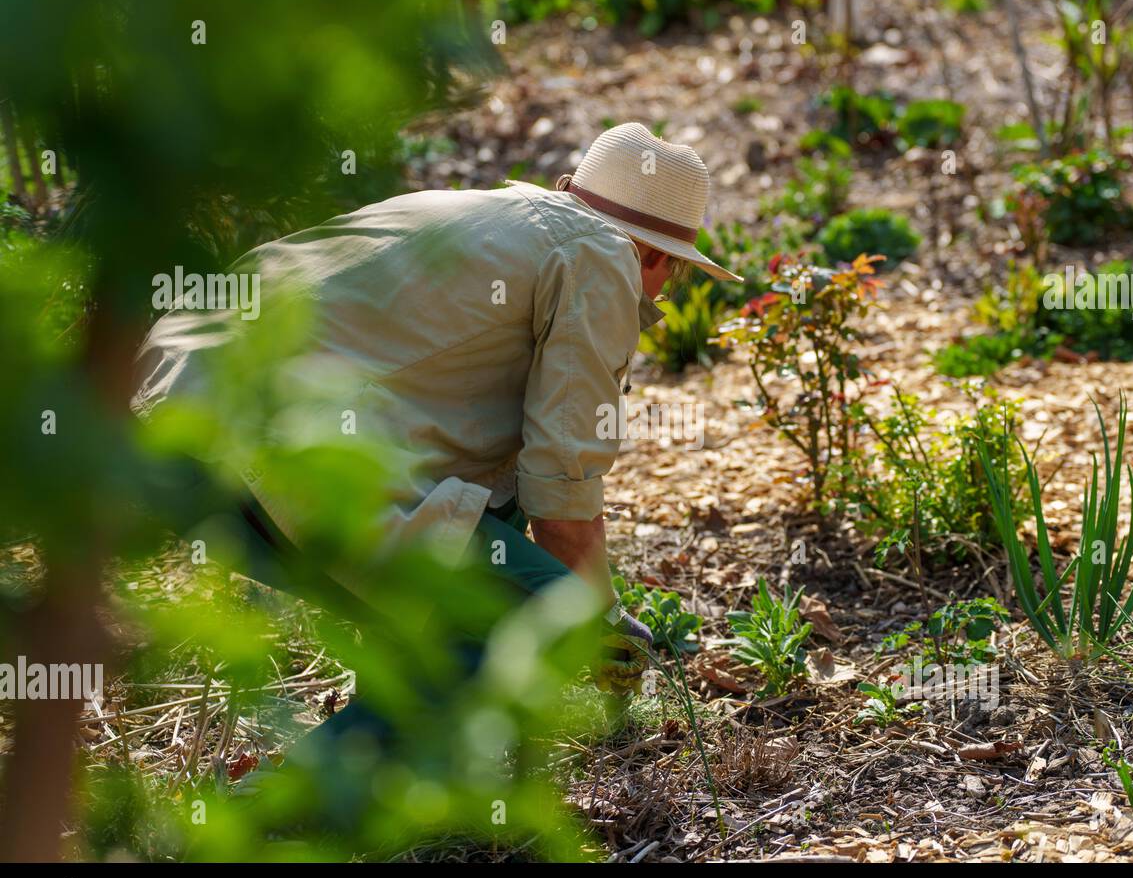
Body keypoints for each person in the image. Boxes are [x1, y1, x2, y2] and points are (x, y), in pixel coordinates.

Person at [132, 122, 741, 717]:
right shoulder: (602, 254)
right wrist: (601, 620)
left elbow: (498, 486)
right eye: (670, 274)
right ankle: (297, 805)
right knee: (526, 614)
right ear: (652, 253)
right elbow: (563, 499)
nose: (658, 295)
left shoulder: (486, 215)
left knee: (485, 532)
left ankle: (387, 734)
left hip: (163, 412)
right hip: (265, 442)